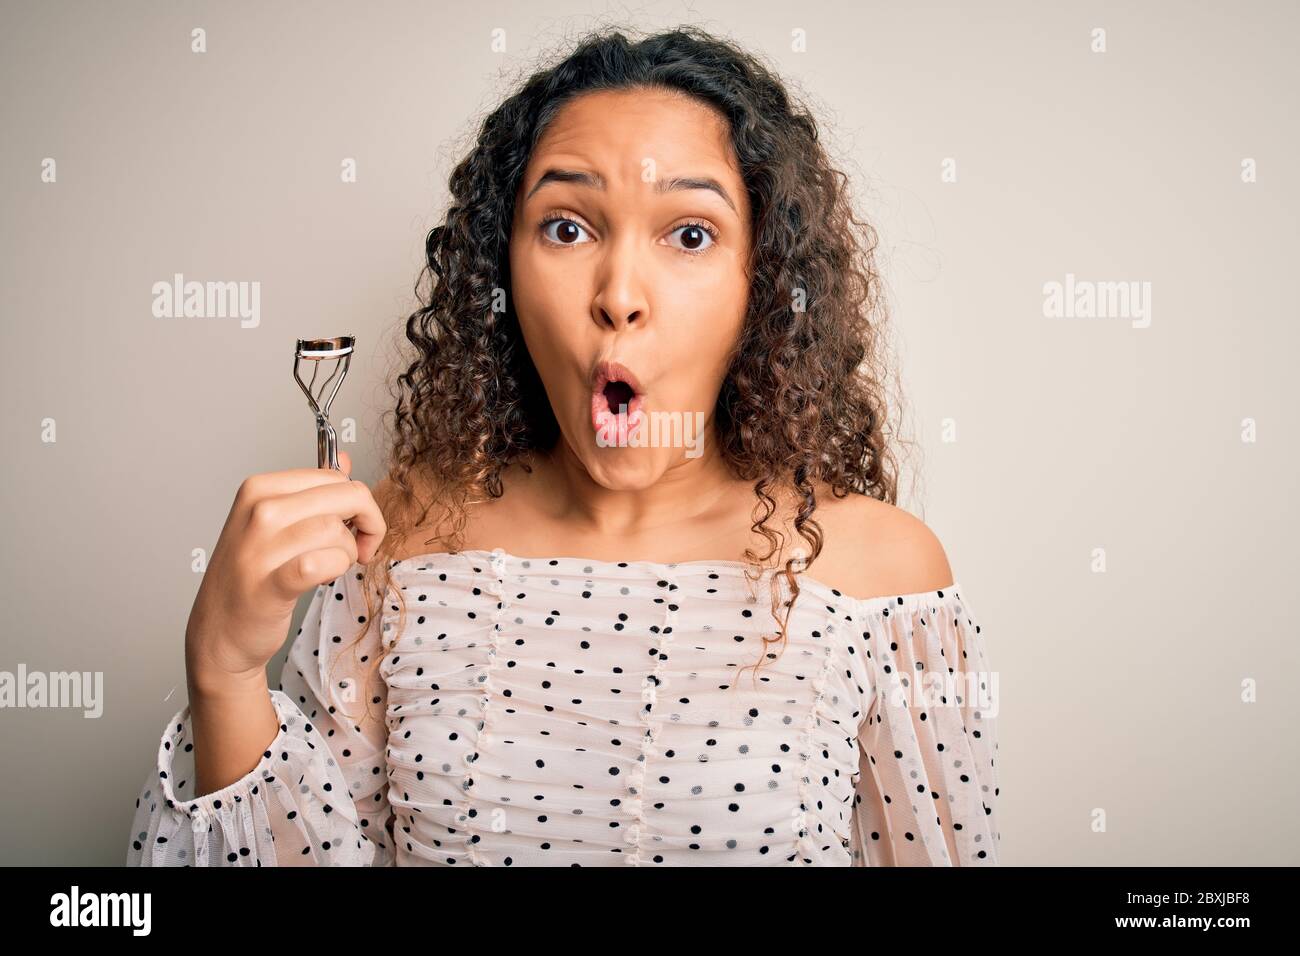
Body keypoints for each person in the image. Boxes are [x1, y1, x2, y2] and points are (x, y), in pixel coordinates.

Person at [126, 26, 1000, 867]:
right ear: (500, 267)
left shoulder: (885, 575)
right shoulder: (400, 539)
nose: (619, 293)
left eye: (690, 234)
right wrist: (225, 669)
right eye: (567, 228)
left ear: (761, 285)